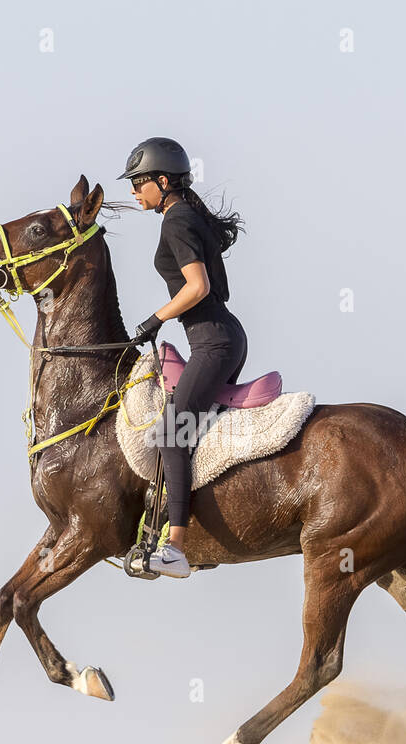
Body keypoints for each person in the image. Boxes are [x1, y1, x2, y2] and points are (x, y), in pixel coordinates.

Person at [119, 137, 248, 579]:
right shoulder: (184, 216)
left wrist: (152, 321)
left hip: (214, 342)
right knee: (191, 432)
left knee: (171, 433)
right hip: (217, 338)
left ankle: (174, 546)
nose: (135, 191)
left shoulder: (176, 220)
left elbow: (197, 288)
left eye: (139, 183)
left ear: (162, 180)